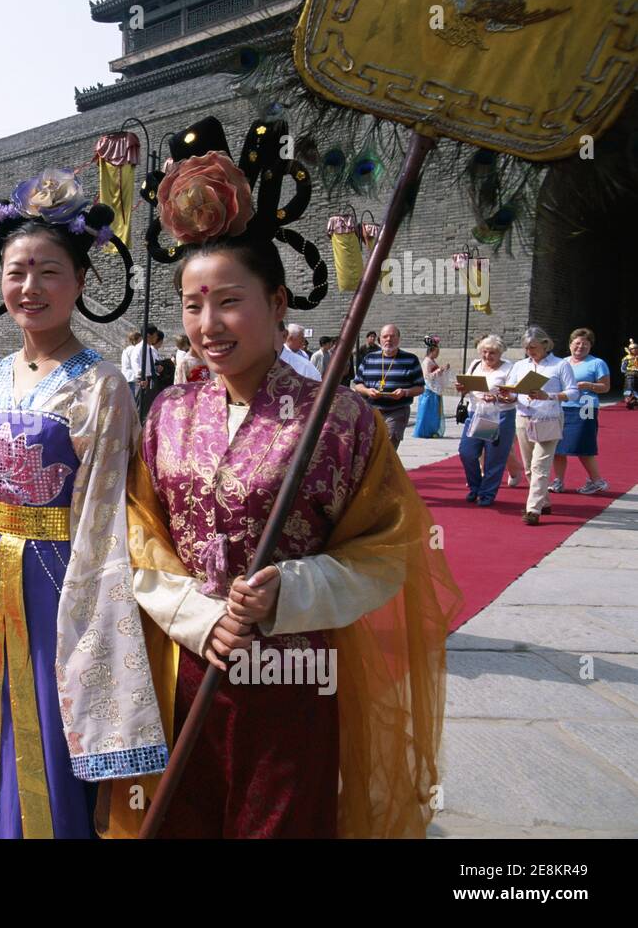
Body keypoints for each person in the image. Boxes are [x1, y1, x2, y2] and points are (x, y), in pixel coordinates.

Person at [109, 115, 455, 838]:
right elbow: (140, 539)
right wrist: (198, 617)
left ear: (277, 304)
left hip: (294, 675)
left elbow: (388, 551)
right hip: (188, 669)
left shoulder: (339, 420)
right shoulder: (166, 412)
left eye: (230, 300)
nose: (209, 323)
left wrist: (290, 590)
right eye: (193, 304)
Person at [0, 172, 167, 839]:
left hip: (55, 584)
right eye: (17, 270)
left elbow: (102, 516)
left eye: (49, 271)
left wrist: (86, 619)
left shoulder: (103, 385)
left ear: (81, 281)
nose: (30, 287)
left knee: (39, 729)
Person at [498, 326, 578, 525]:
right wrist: (508, 396)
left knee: (539, 465)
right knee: (528, 468)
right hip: (524, 417)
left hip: (548, 418)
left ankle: (533, 510)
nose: (529, 351)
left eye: (533, 347)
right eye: (526, 348)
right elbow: (514, 391)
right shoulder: (520, 366)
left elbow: (574, 392)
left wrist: (548, 395)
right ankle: (544, 502)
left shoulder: (560, 365)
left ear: (545, 344)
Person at [457, 334, 515, 506]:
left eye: (492, 353)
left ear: (500, 353)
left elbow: (513, 395)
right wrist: (463, 389)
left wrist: (497, 397)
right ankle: (475, 487)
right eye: (485, 352)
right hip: (476, 413)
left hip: (500, 416)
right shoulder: (475, 364)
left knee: (494, 458)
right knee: (466, 452)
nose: (488, 356)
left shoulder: (509, 368)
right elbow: (466, 388)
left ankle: (487, 494)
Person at [552, 328, 610, 495]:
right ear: (570, 344)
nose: (580, 347)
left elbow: (605, 387)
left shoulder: (597, 363)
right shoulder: (561, 362)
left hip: (586, 407)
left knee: (584, 445)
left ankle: (597, 481)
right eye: (577, 343)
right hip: (562, 407)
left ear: (590, 346)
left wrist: (588, 385)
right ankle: (559, 481)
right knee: (557, 446)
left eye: (585, 344)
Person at [352, 323, 424, 449]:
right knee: (368, 446)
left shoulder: (411, 359)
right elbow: (358, 384)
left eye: (392, 336)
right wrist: (368, 391)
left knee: (388, 446)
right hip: (372, 410)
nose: (389, 340)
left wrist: (405, 392)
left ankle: (384, 468)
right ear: (380, 339)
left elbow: (420, 387)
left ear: (399, 339)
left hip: (397, 410)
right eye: (385, 337)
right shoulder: (369, 358)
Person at [413, 335, 450, 438]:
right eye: (436, 352)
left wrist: (442, 370)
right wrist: (440, 370)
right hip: (429, 390)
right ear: (432, 351)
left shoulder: (432, 361)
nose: (437, 354)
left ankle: (432, 430)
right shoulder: (426, 362)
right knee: (427, 412)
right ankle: (424, 431)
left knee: (433, 412)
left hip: (433, 389)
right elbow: (427, 376)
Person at [622, 339, 638, 410]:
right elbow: (623, 368)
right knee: (630, 389)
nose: (635, 350)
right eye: (633, 349)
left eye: (636, 348)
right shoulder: (627, 358)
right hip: (630, 376)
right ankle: (630, 401)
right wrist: (629, 371)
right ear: (630, 350)